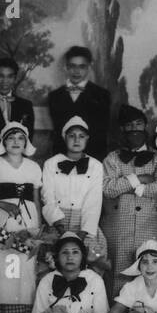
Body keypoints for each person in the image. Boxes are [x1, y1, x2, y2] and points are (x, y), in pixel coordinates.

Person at [0, 121, 44, 313]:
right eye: (11, 138)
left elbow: (36, 199)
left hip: (27, 221)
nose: (16, 142)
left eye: (20, 138)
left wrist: (36, 227)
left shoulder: (33, 167)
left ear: (26, 142)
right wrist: (2, 205)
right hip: (1, 220)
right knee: (2, 272)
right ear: (3, 141)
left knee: (22, 274)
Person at [101, 105, 157, 295]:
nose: (134, 129)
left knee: (148, 273)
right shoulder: (112, 158)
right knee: (118, 274)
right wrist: (139, 178)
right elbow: (108, 189)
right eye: (129, 125)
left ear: (146, 126)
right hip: (118, 228)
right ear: (123, 129)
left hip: (149, 227)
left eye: (138, 124)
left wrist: (133, 188)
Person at [12, 232, 109, 313]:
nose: (70, 257)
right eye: (65, 253)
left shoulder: (95, 279)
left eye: (75, 252)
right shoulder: (47, 280)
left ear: (82, 256)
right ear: (57, 256)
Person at [41, 116, 110, 274]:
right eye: (72, 136)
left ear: (87, 139)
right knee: (49, 263)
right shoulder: (51, 164)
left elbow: (93, 201)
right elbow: (48, 196)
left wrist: (82, 234)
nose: (76, 140)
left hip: (84, 225)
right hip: (58, 224)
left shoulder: (96, 166)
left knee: (91, 266)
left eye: (81, 136)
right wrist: (61, 229)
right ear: (64, 138)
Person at [46, 46, 111, 157]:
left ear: (89, 68)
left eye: (82, 67)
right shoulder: (55, 96)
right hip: (62, 156)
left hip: (93, 157)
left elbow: (101, 133)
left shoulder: (102, 95)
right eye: (72, 66)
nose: (76, 71)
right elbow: (58, 131)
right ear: (66, 67)